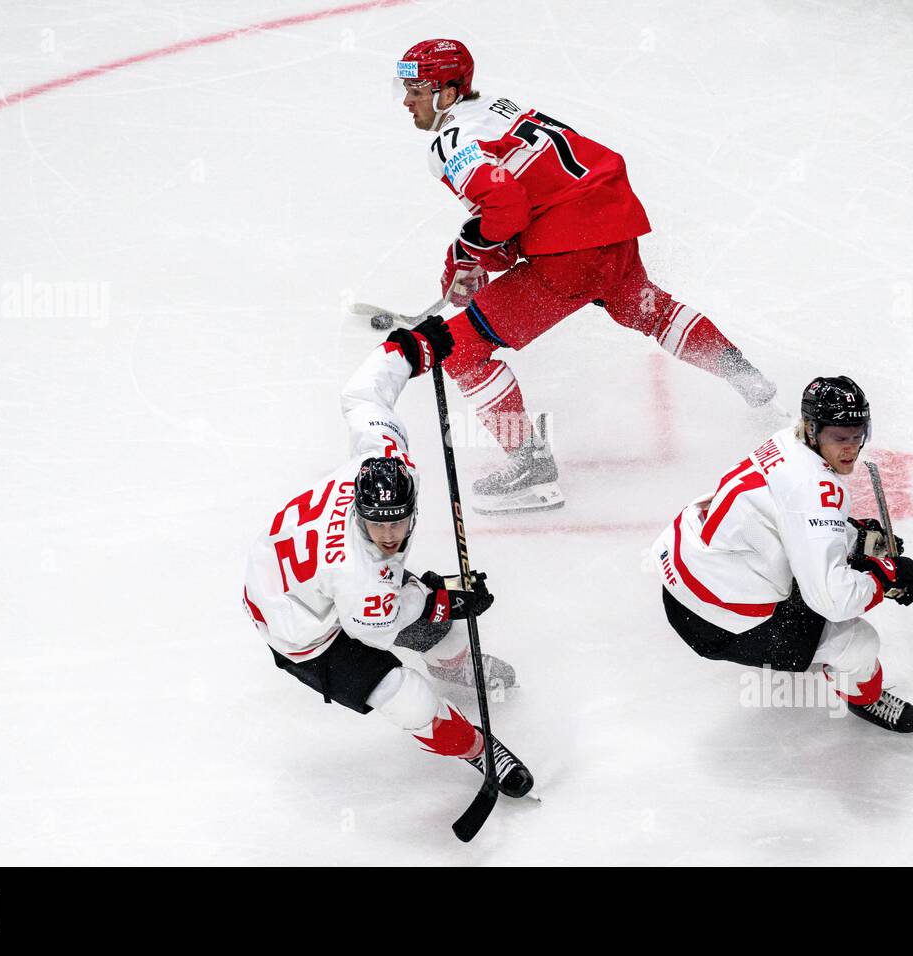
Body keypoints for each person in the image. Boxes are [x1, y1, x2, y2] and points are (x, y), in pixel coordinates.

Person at [397, 38, 778, 515]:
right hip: (612, 223)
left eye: (415, 90)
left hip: (570, 252)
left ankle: (530, 465)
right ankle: (748, 380)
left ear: (448, 92)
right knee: (644, 307)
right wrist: (487, 251)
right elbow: (522, 202)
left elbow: (506, 206)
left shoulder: (450, 139)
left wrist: (465, 256)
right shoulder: (500, 107)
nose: (406, 102)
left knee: (462, 348)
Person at [243, 316, 533, 795]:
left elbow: (363, 395)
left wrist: (412, 348)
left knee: (431, 618)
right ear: (360, 513)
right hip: (294, 619)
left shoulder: (383, 458)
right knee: (406, 697)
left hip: (303, 568)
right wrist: (443, 600)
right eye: (378, 525)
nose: (390, 535)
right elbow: (375, 626)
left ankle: (451, 665)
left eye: (398, 520)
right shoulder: (360, 573)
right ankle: (479, 749)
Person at [650, 376, 913, 733]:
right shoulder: (817, 489)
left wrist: (854, 539)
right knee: (859, 643)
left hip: (685, 577)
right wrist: (885, 575)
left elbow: (790, 516)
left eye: (857, 435)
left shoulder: (785, 441)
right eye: (838, 437)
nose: (850, 448)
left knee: (827, 567)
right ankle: (864, 696)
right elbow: (833, 599)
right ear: (813, 431)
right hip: (712, 625)